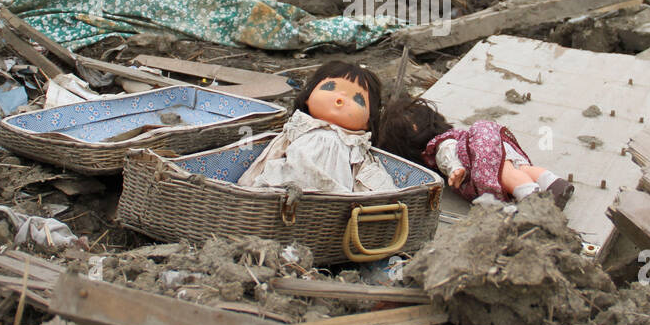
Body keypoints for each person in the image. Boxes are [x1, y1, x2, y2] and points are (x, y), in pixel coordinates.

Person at [377, 95, 573, 208]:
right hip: (498, 141)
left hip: (483, 155)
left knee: (508, 175)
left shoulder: (438, 146)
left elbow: (449, 156)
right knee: (520, 168)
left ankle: (533, 200)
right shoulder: (455, 134)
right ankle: (554, 183)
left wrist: (455, 170)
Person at [238, 61, 395, 193]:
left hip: (333, 199)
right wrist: (249, 183)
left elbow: (368, 174)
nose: (340, 99)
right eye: (330, 87)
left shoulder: (353, 144)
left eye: (358, 99)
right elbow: (274, 152)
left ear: (368, 120)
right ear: (308, 96)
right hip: (283, 189)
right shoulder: (300, 128)